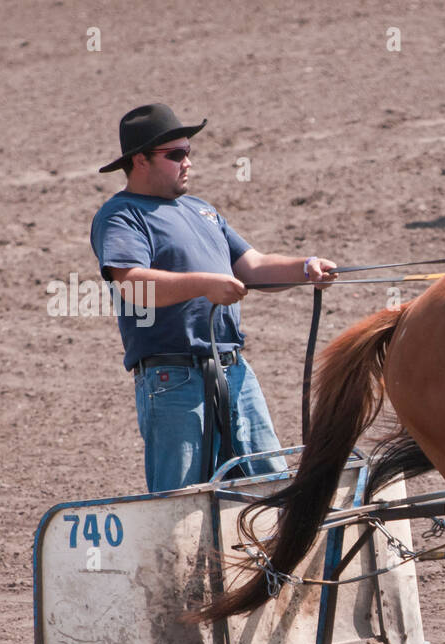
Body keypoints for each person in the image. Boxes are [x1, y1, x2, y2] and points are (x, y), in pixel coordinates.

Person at [90, 103, 335, 492]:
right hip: (172, 378)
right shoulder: (120, 216)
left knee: (269, 487)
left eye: (188, 152)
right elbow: (131, 284)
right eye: (176, 155)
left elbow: (252, 266)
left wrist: (304, 268)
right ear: (139, 160)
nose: (188, 162)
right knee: (181, 500)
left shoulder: (202, 211)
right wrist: (205, 284)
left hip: (234, 370)